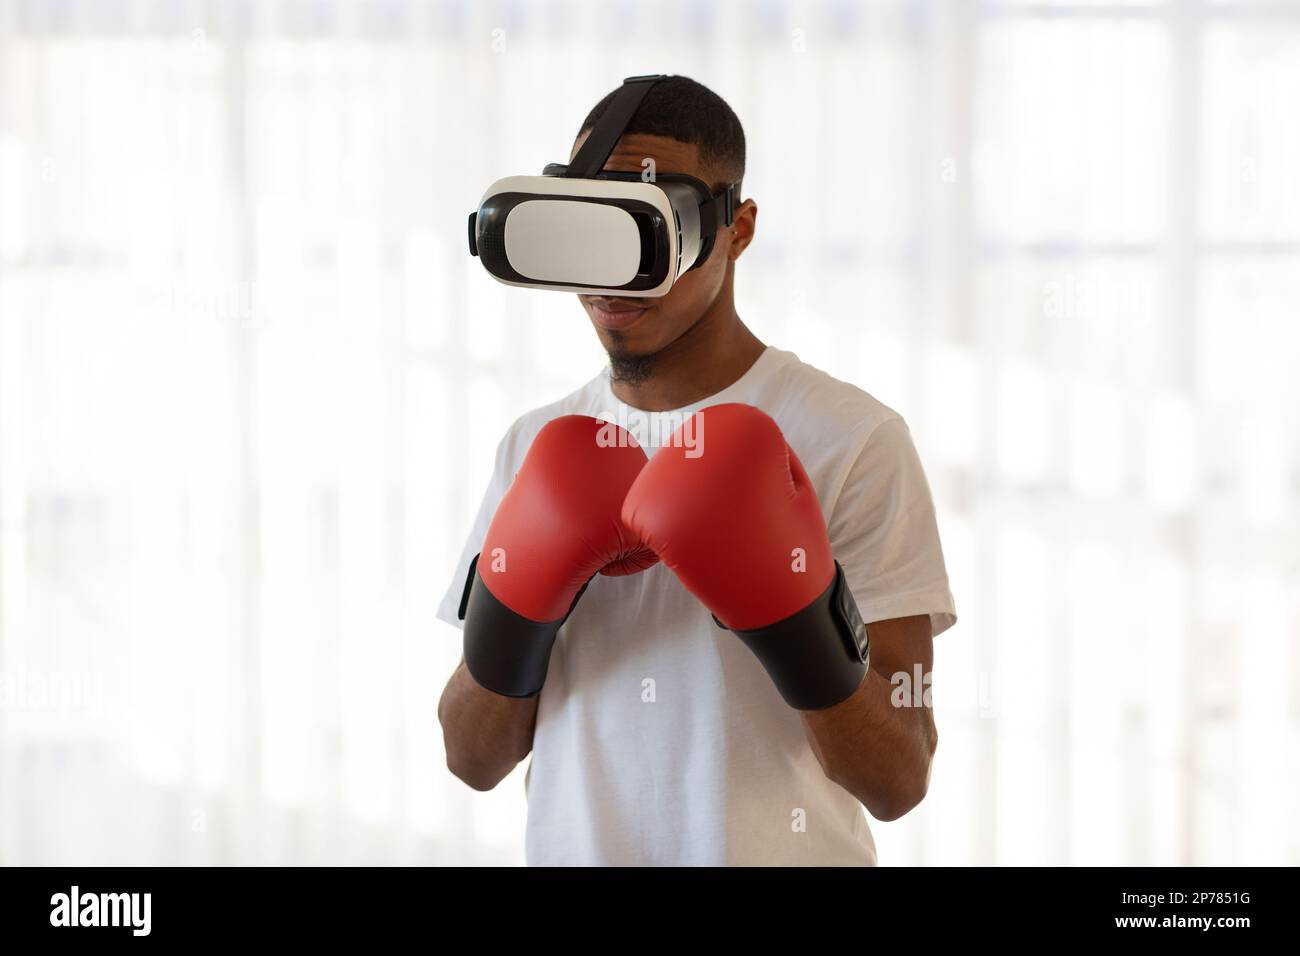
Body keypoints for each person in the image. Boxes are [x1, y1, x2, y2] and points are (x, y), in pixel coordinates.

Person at [437, 76, 956, 866]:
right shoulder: (534, 444)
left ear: (736, 230)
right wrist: (517, 614)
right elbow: (471, 759)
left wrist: (796, 622)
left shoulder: (855, 439)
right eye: (593, 229)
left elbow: (899, 778)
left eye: (649, 230)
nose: (614, 277)